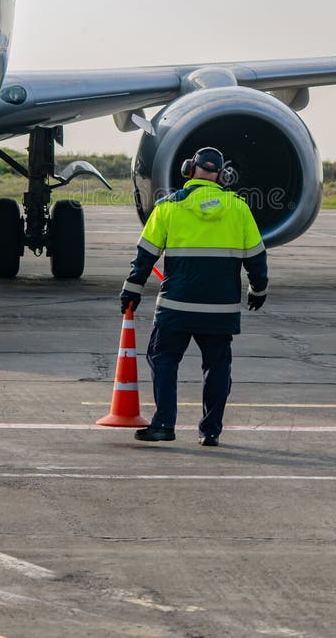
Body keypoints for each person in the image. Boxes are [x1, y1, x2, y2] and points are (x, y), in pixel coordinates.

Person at [120, 146, 268, 446]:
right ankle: (210, 430)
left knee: (163, 358)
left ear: (189, 170)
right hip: (221, 309)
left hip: (177, 306)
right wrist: (258, 289)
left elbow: (145, 256)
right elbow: (256, 258)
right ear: (222, 175)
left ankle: (163, 424)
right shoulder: (238, 208)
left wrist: (131, 290)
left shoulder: (169, 207)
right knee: (217, 366)